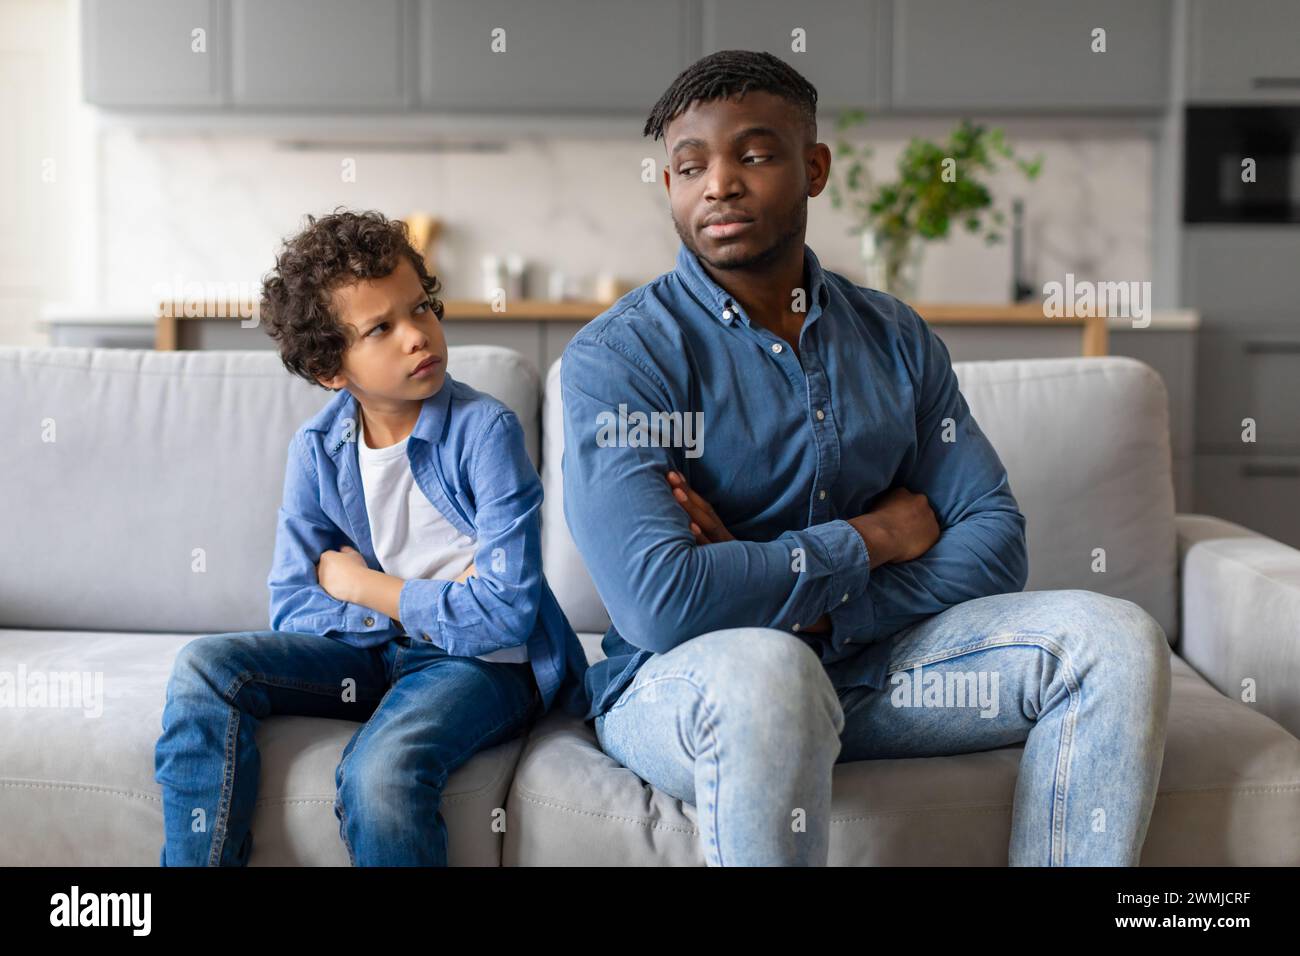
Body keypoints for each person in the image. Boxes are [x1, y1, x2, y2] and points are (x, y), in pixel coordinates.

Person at [560, 50, 1170, 866]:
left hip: (877, 668)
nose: (719, 185)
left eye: (752, 154)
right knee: (774, 671)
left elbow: (995, 537)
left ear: (813, 168)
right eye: (689, 166)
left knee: (1116, 638)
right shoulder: (623, 357)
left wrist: (808, 602)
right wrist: (876, 540)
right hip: (694, 681)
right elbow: (663, 603)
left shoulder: (893, 336)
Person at [155, 209, 588, 866]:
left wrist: (365, 586)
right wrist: (428, 606)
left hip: (483, 667)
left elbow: (505, 614)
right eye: (381, 328)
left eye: (421, 309)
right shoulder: (318, 452)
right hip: (379, 656)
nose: (417, 336)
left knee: (378, 776)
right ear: (333, 368)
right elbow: (294, 605)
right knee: (205, 668)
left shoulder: (486, 433)